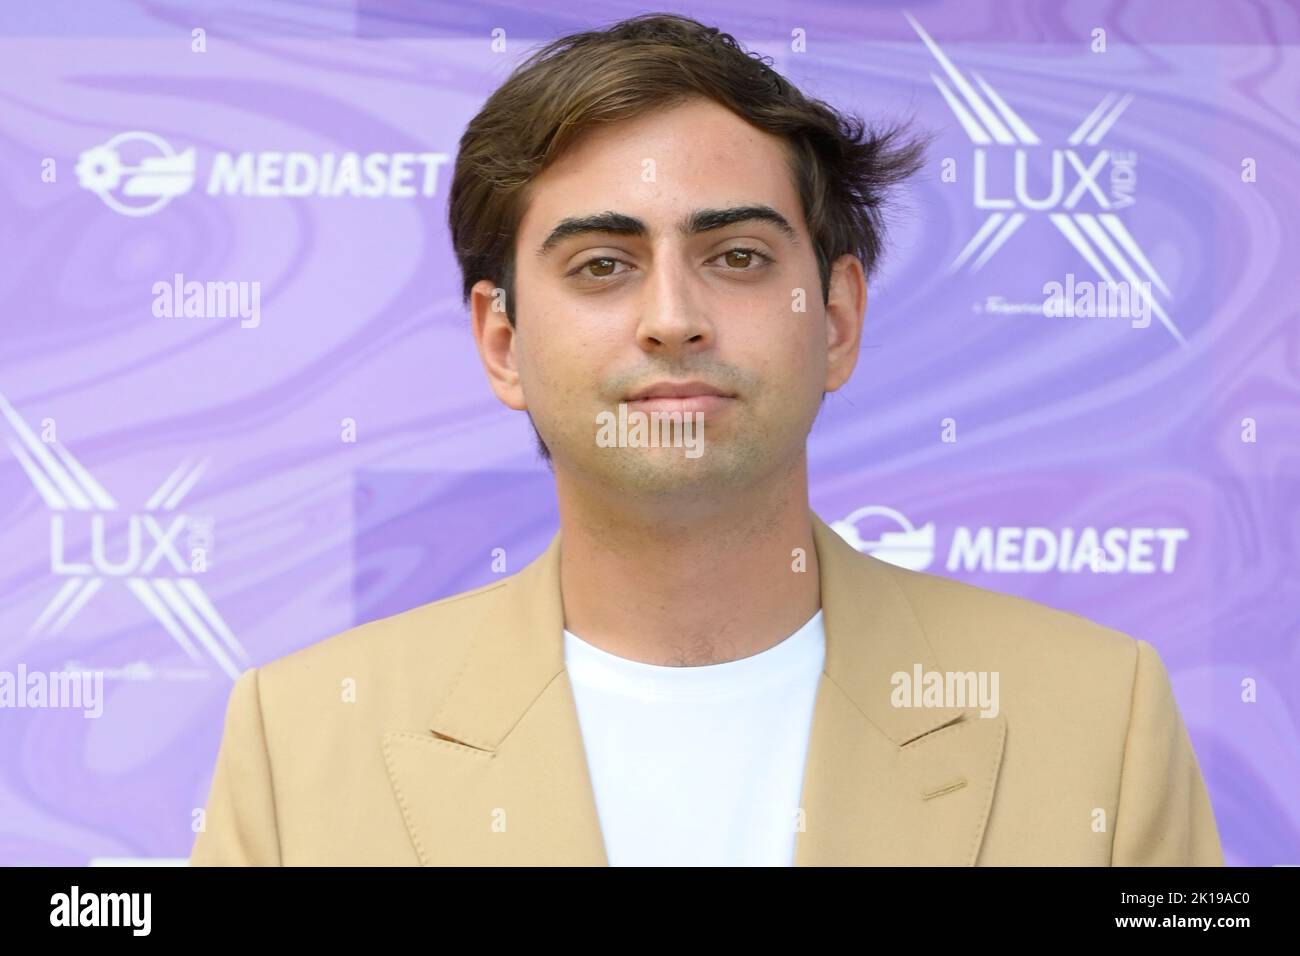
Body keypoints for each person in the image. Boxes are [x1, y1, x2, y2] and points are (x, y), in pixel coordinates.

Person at [190, 12, 1222, 866]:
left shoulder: (1099, 717)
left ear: (836, 320)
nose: (671, 316)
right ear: (501, 341)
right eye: (601, 264)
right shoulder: (301, 740)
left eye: (734, 256)